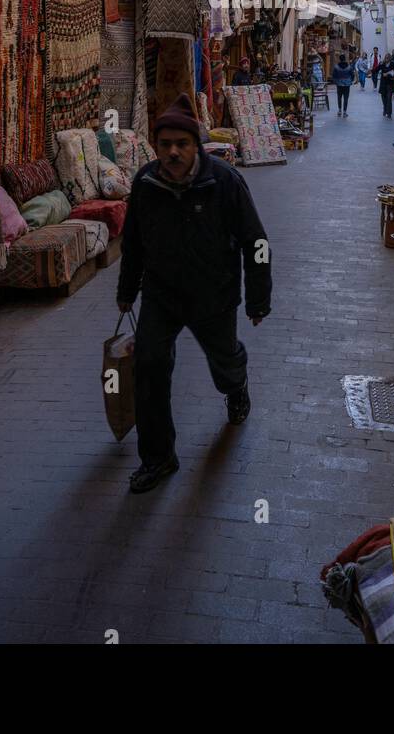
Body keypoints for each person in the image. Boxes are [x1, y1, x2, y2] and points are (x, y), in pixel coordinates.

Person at [116, 93, 272, 494]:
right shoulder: (146, 183)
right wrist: (126, 291)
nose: (172, 152)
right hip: (161, 295)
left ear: (195, 145)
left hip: (213, 296)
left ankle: (236, 388)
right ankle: (158, 458)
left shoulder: (224, 182)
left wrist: (258, 299)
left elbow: (256, 241)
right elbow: (132, 242)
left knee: (224, 361)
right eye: (165, 144)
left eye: (181, 144)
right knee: (149, 368)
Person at [331, 51, 355, 116]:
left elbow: (333, 75)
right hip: (347, 84)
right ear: (344, 59)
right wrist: (351, 80)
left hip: (339, 84)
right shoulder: (349, 67)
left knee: (339, 97)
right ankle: (344, 112)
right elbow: (352, 75)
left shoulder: (336, 67)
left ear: (340, 59)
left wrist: (335, 81)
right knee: (346, 98)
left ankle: (339, 110)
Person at [378, 50, 394, 119]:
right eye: (386, 58)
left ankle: (389, 113)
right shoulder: (382, 64)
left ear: (390, 58)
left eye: (388, 58)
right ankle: (385, 109)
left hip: (390, 84)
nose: (386, 59)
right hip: (383, 84)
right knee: (383, 98)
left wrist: (391, 75)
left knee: (389, 99)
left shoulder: (393, 65)